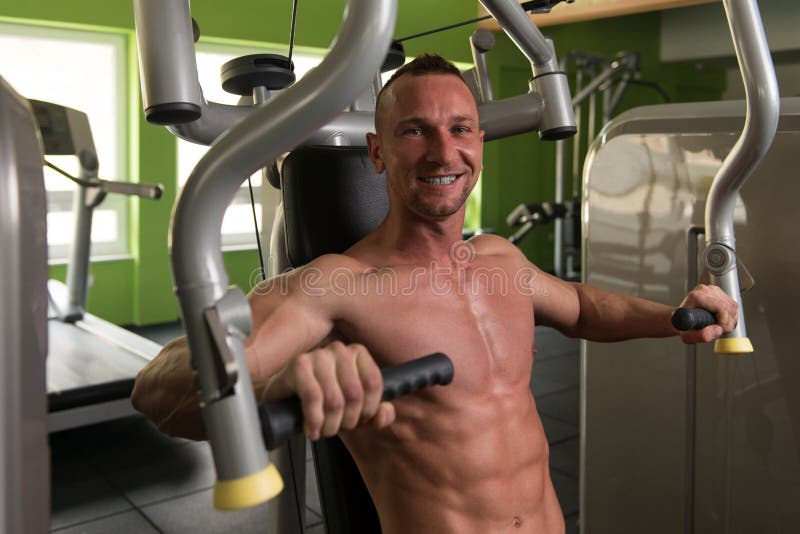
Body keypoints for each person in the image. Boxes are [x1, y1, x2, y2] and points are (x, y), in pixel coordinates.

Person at [132, 54, 738, 534]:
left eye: (460, 129)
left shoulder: (501, 260)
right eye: (415, 132)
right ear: (377, 152)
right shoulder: (338, 285)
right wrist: (271, 384)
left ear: (478, 145)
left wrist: (672, 318)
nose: (444, 152)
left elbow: (580, 306)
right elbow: (155, 389)